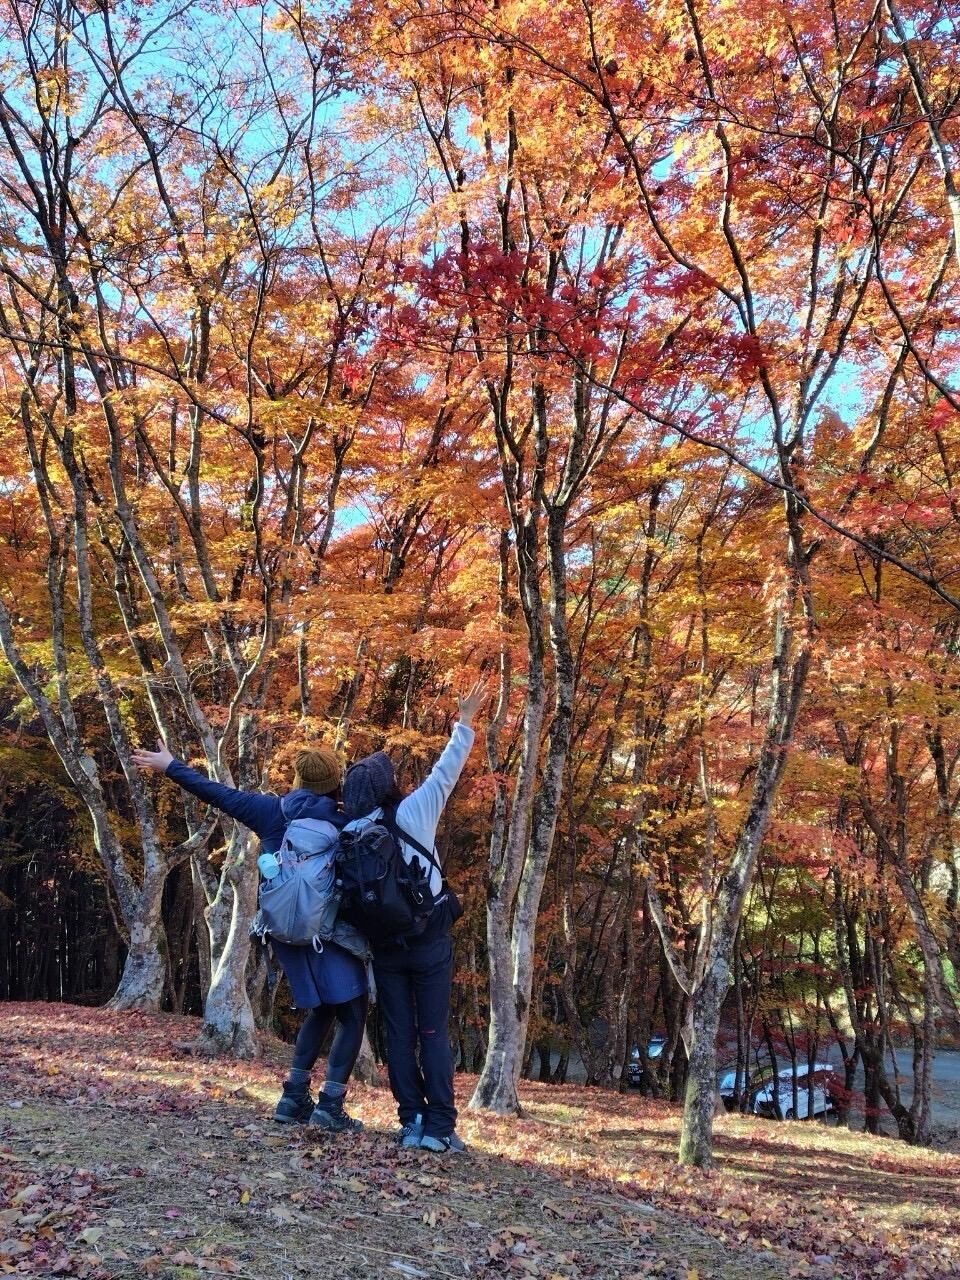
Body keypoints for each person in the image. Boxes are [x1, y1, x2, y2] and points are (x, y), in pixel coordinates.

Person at [131, 740, 367, 1133]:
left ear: (297, 778)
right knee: (352, 1012)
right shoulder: (347, 822)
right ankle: (330, 1105)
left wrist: (170, 765)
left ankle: (294, 1097)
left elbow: (217, 793)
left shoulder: (272, 811)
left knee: (323, 1010)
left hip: (280, 933)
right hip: (327, 932)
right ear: (335, 782)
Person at [341, 680, 487, 1155]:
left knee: (400, 1036)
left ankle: (411, 1122)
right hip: (429, 941)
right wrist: (463, 722)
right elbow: (446, 773)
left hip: (383, 948)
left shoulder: (347, 831)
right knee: (433, 1033)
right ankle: (441, 1128)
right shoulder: (411, 812)